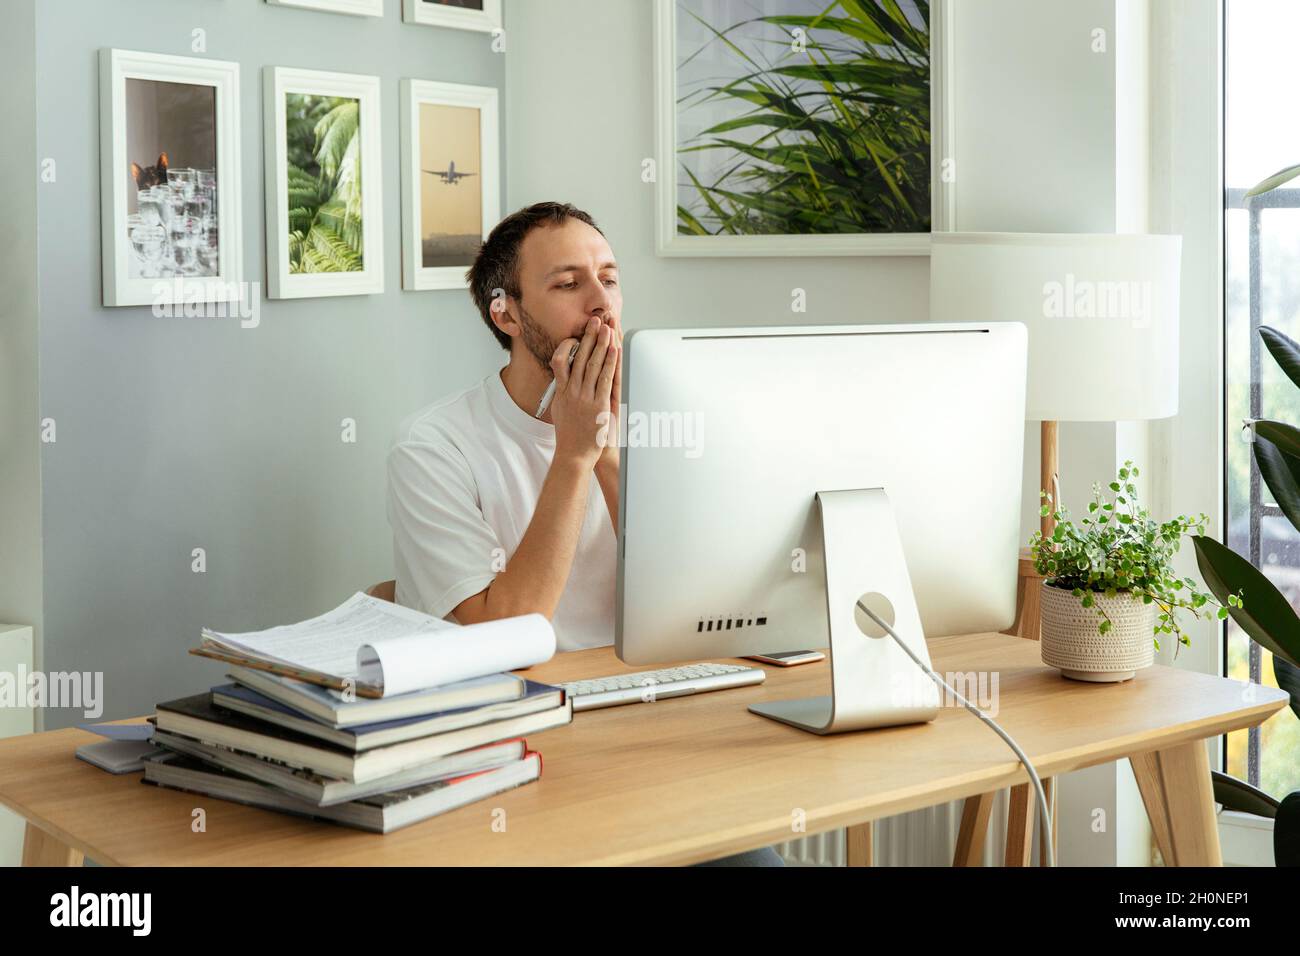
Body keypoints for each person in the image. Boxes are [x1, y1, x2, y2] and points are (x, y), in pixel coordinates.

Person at [386, 201, 784, 868]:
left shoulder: (663, 423)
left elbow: (704, 605)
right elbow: (502, 643)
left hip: (660, 733)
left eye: (610, 277)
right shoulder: (433, 447)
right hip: (520, 747)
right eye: (568, 284)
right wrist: (572, 454)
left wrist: (605, 450)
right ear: (505, 313)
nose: (601, 304)